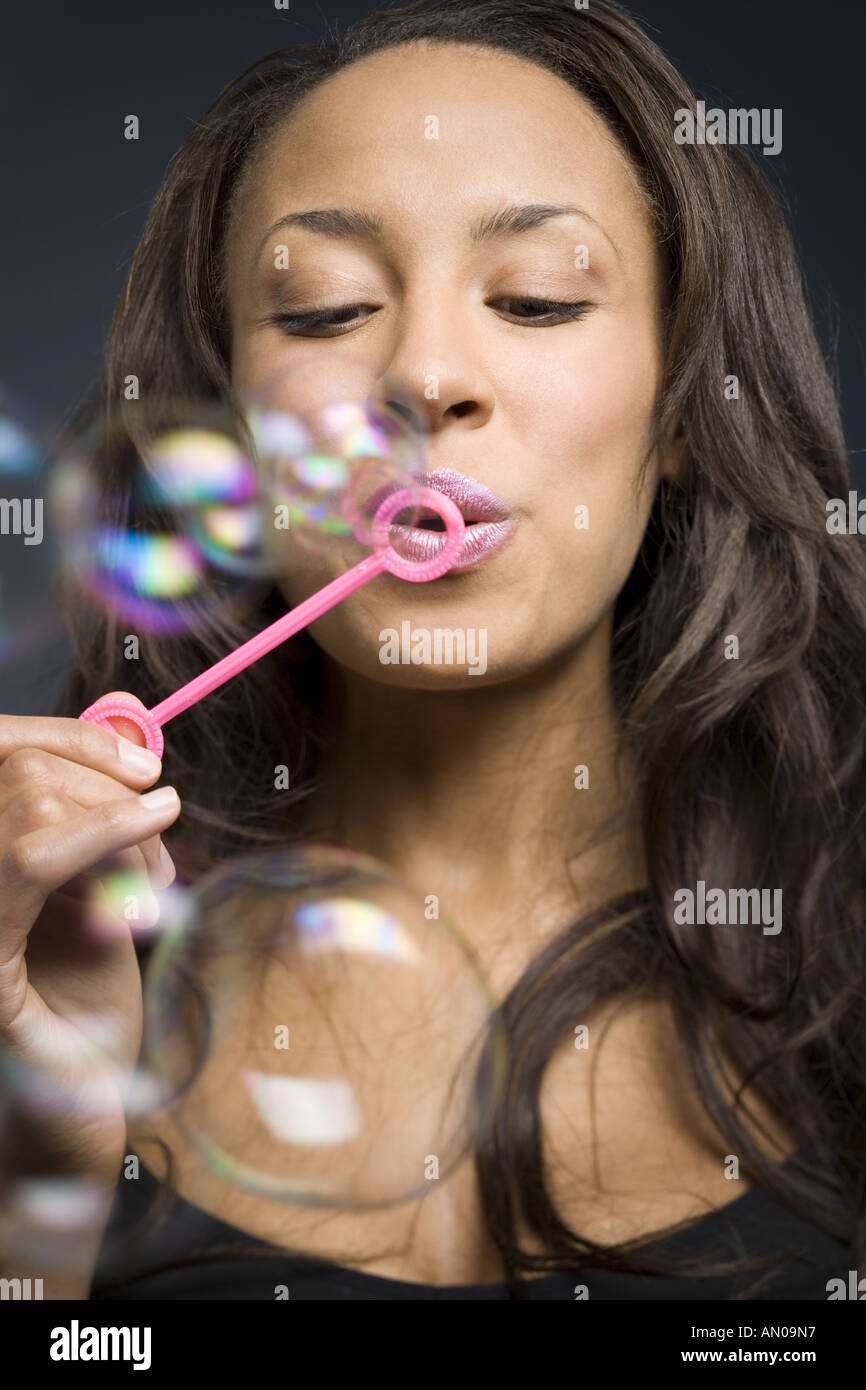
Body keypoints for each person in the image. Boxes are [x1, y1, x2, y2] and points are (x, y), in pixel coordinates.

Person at [1, 0, 863, 1301]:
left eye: (534, 297)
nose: (423, 374)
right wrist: (33, 1194)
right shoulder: (50, 968)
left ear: (684, 404)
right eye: (325, 312)